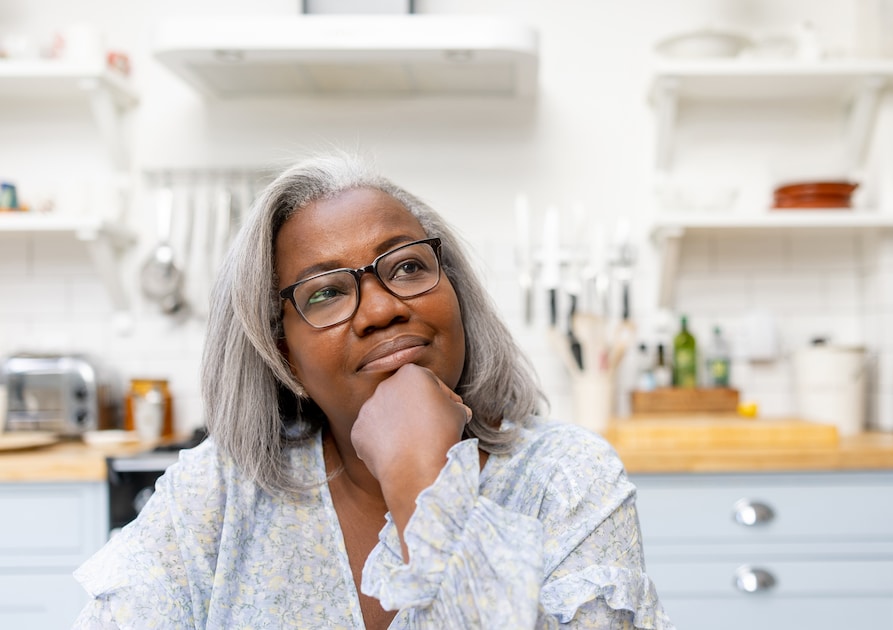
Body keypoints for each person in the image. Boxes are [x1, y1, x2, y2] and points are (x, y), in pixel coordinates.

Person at [72, 154, 674, 629]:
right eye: (325, 293)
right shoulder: (219, 492)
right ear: (283, 353)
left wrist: (422, 482)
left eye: (408, 267)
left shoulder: (567, 481)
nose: (383, 309)